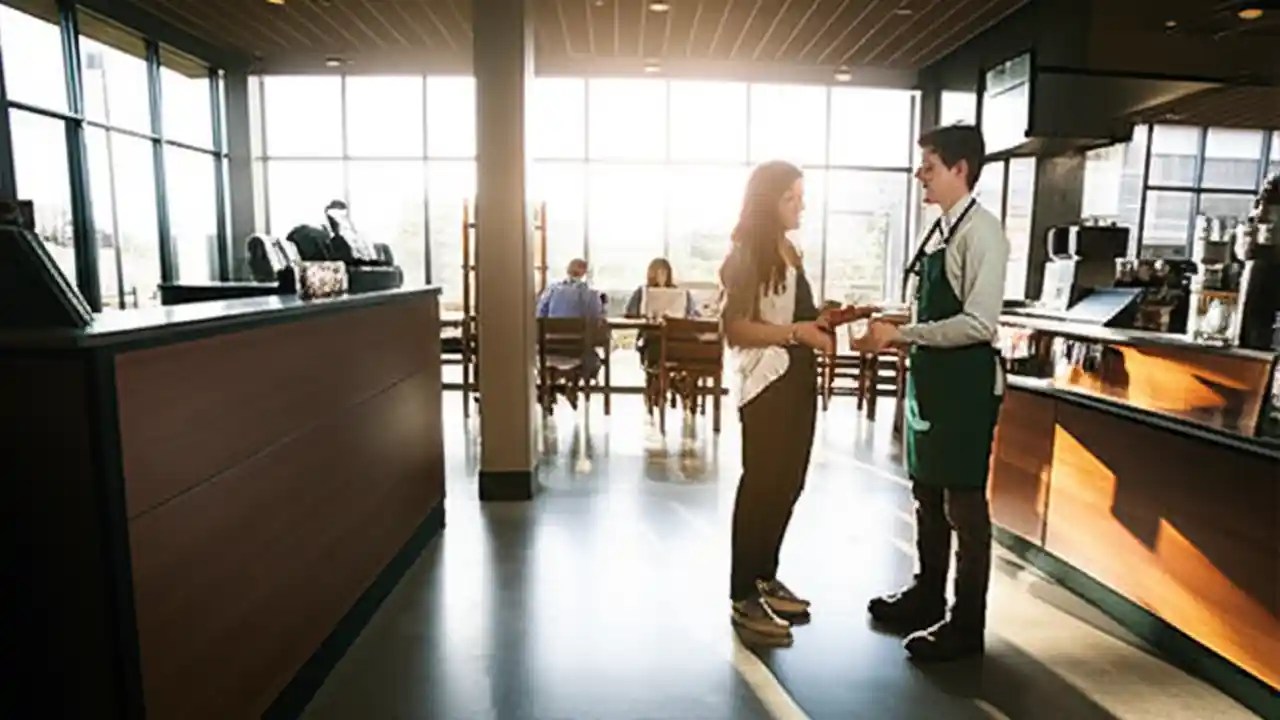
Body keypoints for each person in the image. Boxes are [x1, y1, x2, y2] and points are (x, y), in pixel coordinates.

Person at [856, 124, 1009, 662]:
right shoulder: (942, 229)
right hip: (933, 383)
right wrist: (891, 324)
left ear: (960, 169)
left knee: (964, 505)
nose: (921, 174)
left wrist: (902, 333)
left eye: (930, 165)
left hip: (965, 386)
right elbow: (931, 314)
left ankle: (966, 625)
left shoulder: (981, 233)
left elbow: (979, 324)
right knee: (925, 494)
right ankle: (926, 595)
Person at [719, 161, 838, 642]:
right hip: (767, 386)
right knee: (763, 485)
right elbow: (736, 327)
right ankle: (743, 592)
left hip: (797, 379)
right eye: (793, 197)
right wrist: (796, 332)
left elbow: (797, 315)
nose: (802, 204)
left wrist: (825, 318)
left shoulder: (790, 251)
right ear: (770, 201)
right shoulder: (748, 253)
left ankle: (765, 574)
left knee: (790, 482)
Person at [536, 258, 605, 405]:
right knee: (594, 359)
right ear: (585, 273)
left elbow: (539, 316)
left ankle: (552, 382)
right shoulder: (590, 295)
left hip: (550, 351)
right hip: (578, 352)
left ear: (567, 271)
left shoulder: (551, 290)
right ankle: (572, 382)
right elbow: (597, 321)